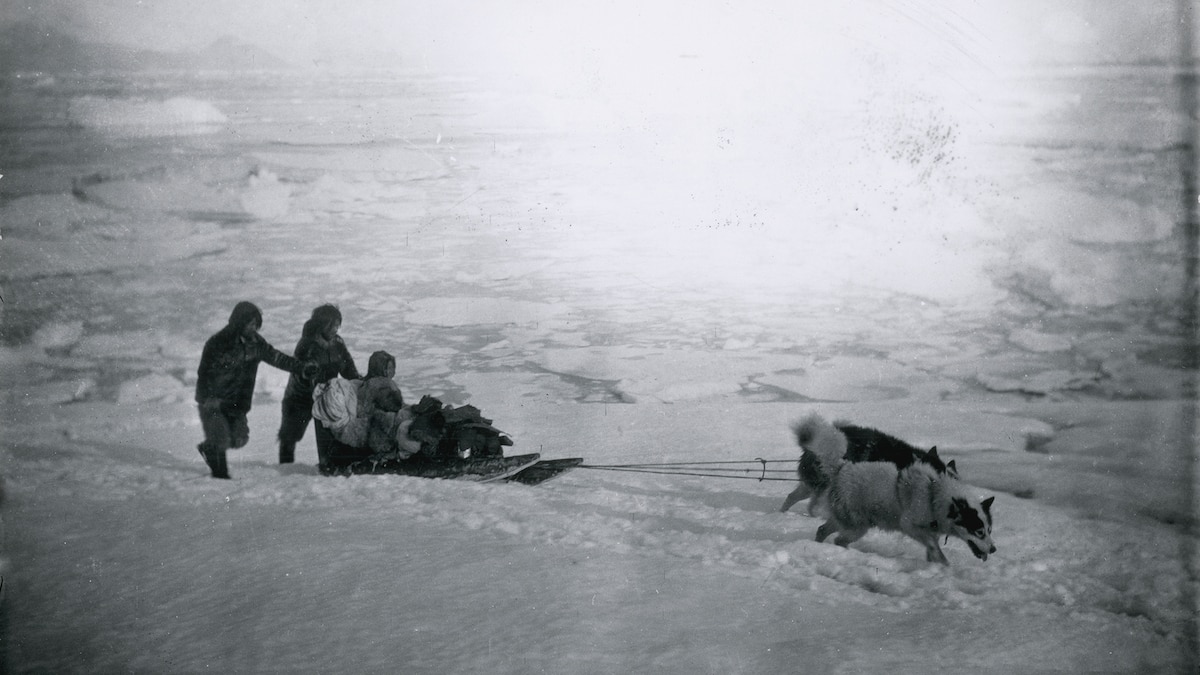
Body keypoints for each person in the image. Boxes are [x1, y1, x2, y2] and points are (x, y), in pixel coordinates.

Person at [195, 301, 314, 479]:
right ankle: (221, 479)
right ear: (238, 322)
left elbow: (276, 357)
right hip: (214, 401)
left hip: (237, 402)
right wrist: (209, 397)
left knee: (239, 439)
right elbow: (204, 372)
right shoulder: (218, 342)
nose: (253, 328)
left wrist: (302, 368)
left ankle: (208, 448)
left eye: (255, 324)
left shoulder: (255, 342)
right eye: (249, 324)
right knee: (221, 439)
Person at [277, 304, 361, 467]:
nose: (335, 329)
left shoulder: (337, 342)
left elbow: (347, 367)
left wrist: (358, 380)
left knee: (329, 432)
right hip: (299, 398)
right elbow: (303, 373)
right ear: (321, 324)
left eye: (337, 324)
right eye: (331, 325)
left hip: (325, 396)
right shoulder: (307, 344)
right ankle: (284, 469)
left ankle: (328, 464)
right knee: (290, 436)